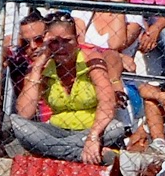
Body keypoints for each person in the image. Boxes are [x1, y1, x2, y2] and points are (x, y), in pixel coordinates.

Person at [7, 13, 126, 164]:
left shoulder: (91, 59)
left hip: (92, 128)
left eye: (66, 41)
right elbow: (25, 113)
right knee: (18, 124)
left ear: (77, 39)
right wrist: (38, 65)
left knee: (115, 128)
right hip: (57, 131)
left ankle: (57, 152)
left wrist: (93, 136)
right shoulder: (43, 67)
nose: (61, 47)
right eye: (54, 42)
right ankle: (79, 153)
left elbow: (107, 102)